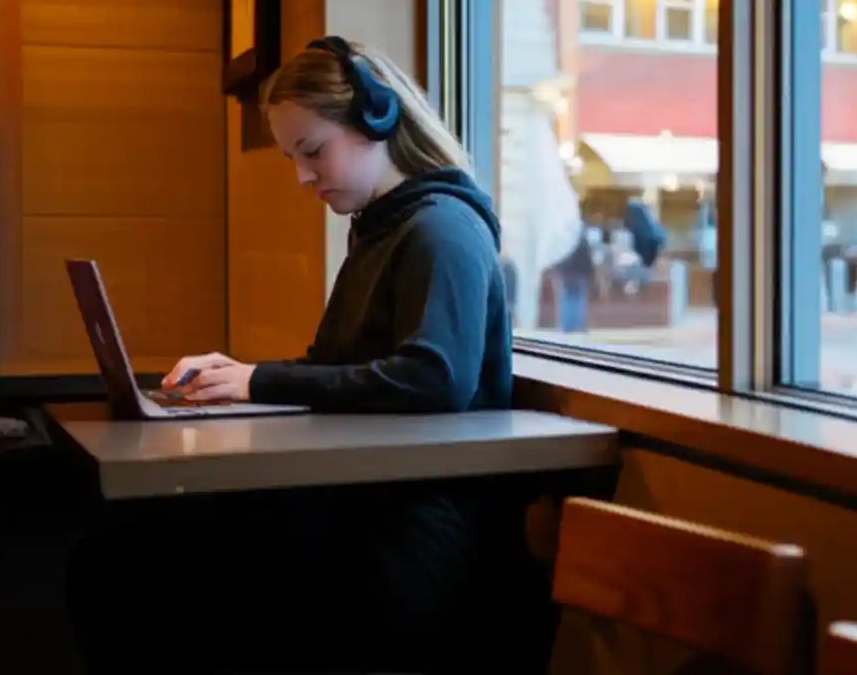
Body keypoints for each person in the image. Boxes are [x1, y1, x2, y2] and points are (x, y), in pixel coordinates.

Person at [66, 37, 533, 673]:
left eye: (313, 152)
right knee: (123, 556)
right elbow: (330, 366)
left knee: (128, 566)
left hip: (405, 521)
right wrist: (239, 378)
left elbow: (434, 379)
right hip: (356, 497)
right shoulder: (379, 229)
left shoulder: (442, 229)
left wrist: (258, 382)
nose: (303, 176)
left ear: (378, 121)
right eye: (294, 157)